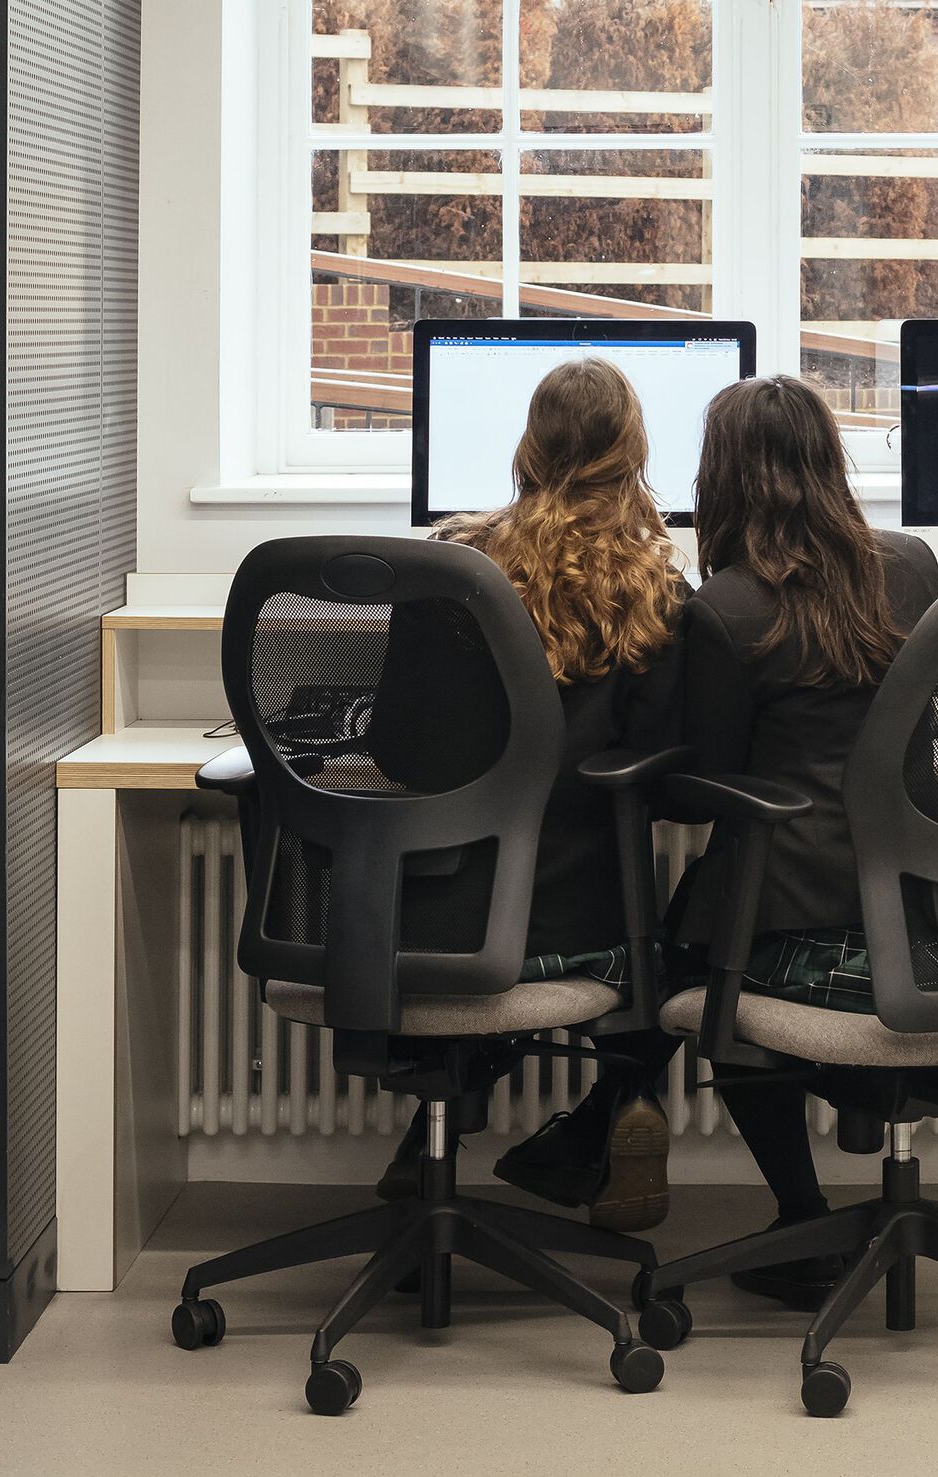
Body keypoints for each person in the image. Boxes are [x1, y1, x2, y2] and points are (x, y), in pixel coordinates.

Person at [376, 354, 689, 1232]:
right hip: (572, 929)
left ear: (527, 442)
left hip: (432, 914)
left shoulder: (447, 564)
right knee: (665, 930)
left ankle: (434, 1129)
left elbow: (392, 747)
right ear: (633, 451)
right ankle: (628, 1098)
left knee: (492, 915)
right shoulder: (656, 587)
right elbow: (664, 770)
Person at [683, 373, 938, 1306]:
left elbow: (703, 783)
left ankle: (801, 1213)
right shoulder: (912, 565)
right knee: (719, 929)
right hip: (926, 924)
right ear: (830, 462)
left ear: (723, 479)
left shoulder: (725, 607)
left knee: (691, 954)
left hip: (803, 925)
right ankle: (861, 1096)